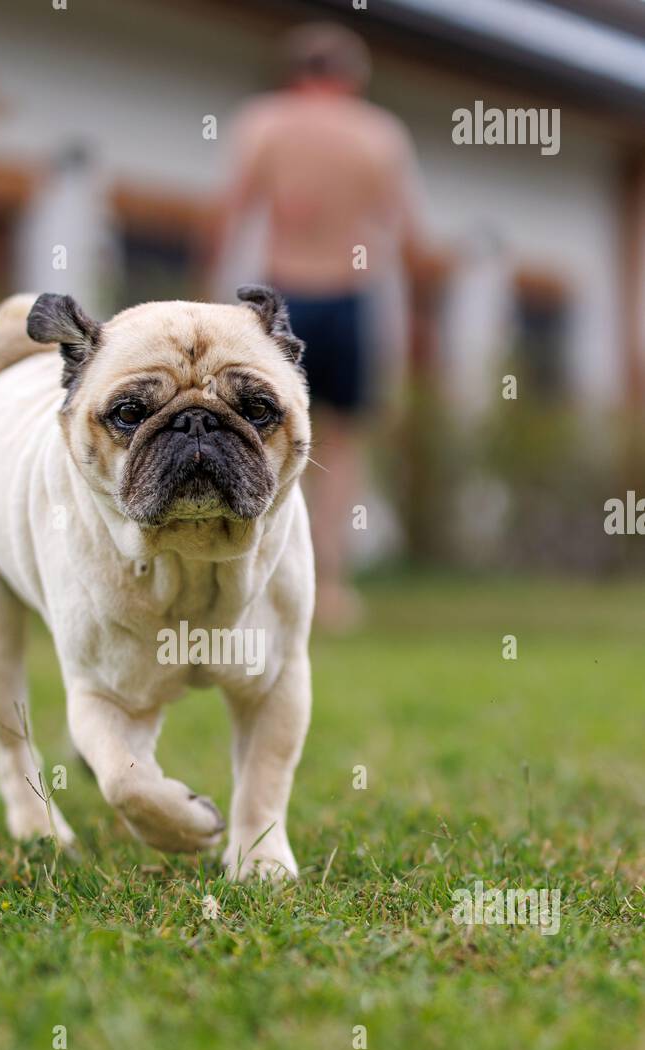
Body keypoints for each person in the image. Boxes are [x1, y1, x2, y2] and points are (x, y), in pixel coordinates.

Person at [212, 23, 425, 629]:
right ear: (352, 77)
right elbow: (408, 234)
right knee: (342, 442)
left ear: (295, 72)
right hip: (349, 296)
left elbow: (231, 213)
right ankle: (330, 587)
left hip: (284, 299)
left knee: (267, 434)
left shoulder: (265, 123)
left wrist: (207, 295)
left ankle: (268, 577)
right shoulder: (380, 134)